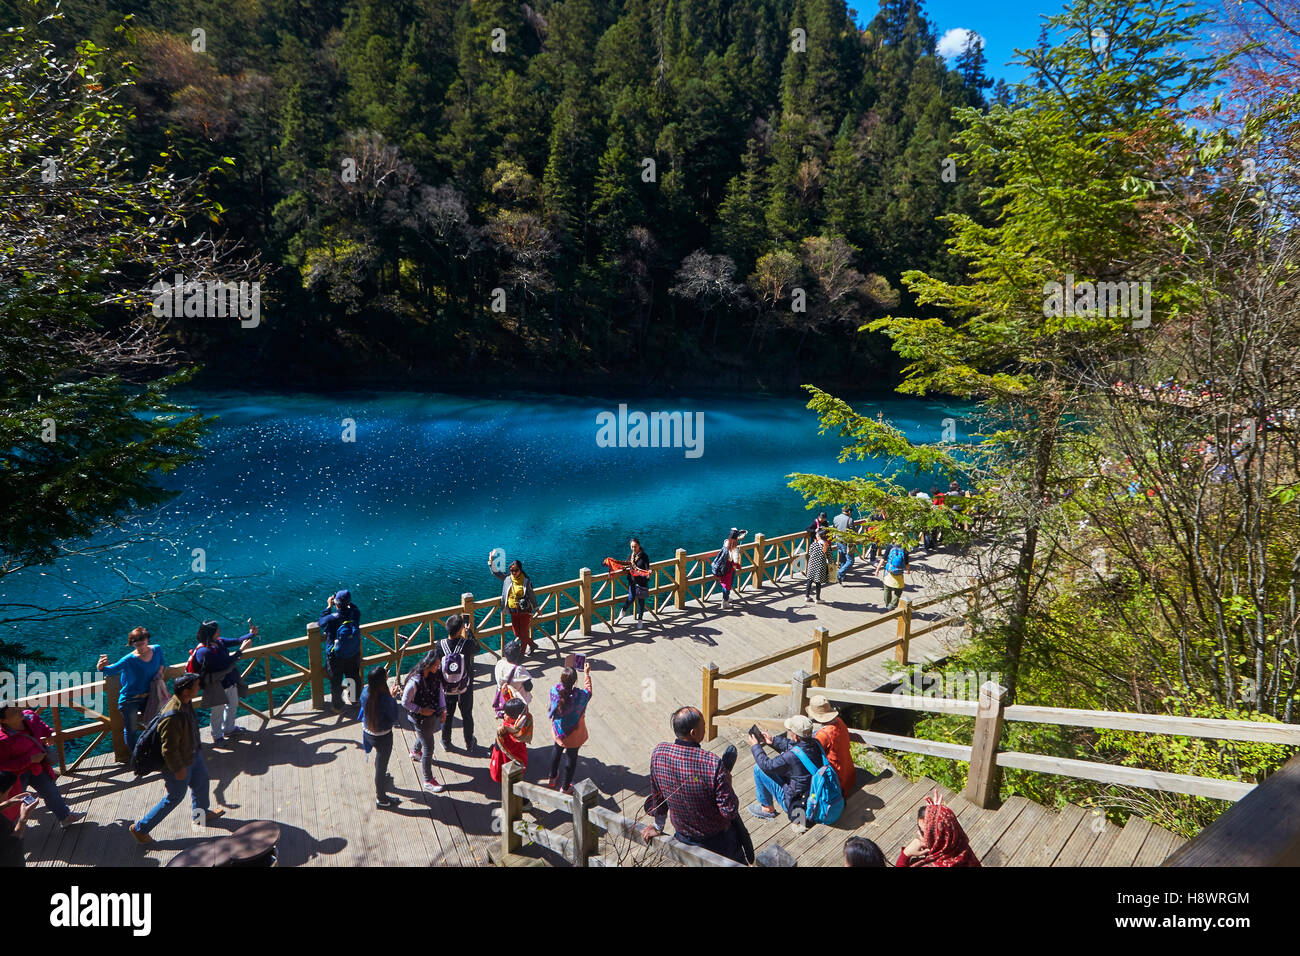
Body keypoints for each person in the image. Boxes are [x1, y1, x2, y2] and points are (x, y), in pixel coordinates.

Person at [641, 706, 750, 865]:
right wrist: (728, 782)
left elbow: (659, 799)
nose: (706, 728)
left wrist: (658, 827)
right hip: (718, 841)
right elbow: (729, 811)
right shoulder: (711, 764)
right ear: (693, 733)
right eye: (704, 726)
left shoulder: (659, 753)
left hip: (684, 838)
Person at [130, 673, 223, 844]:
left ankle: (200, 815)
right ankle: (141, 828)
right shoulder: (173, 715)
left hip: (192, 754)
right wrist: (178, 769)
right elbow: (169, 749)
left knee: (202, 783)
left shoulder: (185, 703)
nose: (199, 687)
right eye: (196, 685)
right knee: (175, 797)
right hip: (179, 764)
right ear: (187, 691)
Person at [0, 705, 85, 829]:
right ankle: (8, 831)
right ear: (2, 721)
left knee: (51, 791)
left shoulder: (30, 716)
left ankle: (65, 817)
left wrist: (49, 732)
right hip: (16, 776)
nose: (19, 711)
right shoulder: (3, 740)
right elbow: (3, 765)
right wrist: (29, 760)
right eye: (13, 712)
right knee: (13, 804)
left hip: (37, 769)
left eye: (17, 707)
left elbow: (41, 725)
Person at [97, 626, 165, 752]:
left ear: (147, 638)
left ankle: (155, 752)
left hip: (150, 697)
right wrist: (100, 667)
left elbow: (161, 662)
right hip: (129, 700)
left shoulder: (157, 649)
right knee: (131, 730)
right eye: (135, 640)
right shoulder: (128, 659)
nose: (139, 642)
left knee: (156, 725)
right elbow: (110, 671)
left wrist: (160, 672)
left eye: (141, 638)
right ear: (131, 643)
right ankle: (137, 757)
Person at [747, 715, 824, 821]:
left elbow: (767, 765)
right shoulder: (816, 743)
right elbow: (793, 746)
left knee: (758, 769)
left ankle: (767, 809)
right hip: (813, 794)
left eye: (790, 731)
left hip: (796, 803)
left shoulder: (791, 757)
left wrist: (756, 746)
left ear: (796, 736)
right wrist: (773, 740)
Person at [192, 621, 255, 743]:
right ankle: (217, 736)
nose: (219, 631)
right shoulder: (204, 652)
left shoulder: (218, 642)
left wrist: (251, 634)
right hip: (216, 685)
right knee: (217, 711)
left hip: (229, 681)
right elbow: (224, 664)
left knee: (232, 704)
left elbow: (237, 640)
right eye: (217, 630)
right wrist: (241, 651)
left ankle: (229, 728)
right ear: (211, 633)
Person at [401, 650, 448, 794]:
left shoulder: (435, 675)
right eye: (435, 665)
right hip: (420, 718)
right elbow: (405, 702)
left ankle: (415, 751)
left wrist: (443, 708)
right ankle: (428, 780)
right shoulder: (414, 682)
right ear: (427, 664)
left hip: (432, 713)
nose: (437, 668)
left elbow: (440, 692)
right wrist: (420, 710)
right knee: (429, 748)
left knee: (426, 734)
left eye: (439, 665)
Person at [546, 661, 593, 795]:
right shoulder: (580, 696)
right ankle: (565, 787)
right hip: (574, 733)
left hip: (559, 729)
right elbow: (588, 692)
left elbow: (560, 696)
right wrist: (587, 674)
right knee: (571, 758)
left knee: (557, 750)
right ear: (575, 681)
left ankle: (552, 777)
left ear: (561, 679)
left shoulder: (554, 690)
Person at [896, 793, 981, 867]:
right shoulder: (960, 843)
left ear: (938, 839)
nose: (918, 833)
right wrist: (938, 813)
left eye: (923, 832)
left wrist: (905, 854)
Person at [358, 666, 401, 809]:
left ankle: (381, 779)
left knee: (379, 759)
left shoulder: (365, 692)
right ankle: (381, 799)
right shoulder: (386, 699)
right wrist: (392, 697)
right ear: (384, 680)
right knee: (381, 767)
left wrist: (389, 695)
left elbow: (376, 702)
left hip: (368, 733)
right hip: (383, 736)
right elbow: (394, 716)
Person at [439, 614, 478, 755]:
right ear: (460, 630)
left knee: (448, 715)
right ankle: (469, 742)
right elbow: (477, 648)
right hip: (464, 688)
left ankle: (445, 741)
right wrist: (469, 633)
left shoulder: (440, 645)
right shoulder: (466, 644)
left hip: (447, 689)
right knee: (467, 714)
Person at [318, 589, 362, 711]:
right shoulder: (355, 614)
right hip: (352, 653)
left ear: (336, 603)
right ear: (349, 602)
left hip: (335, 656)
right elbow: (355, 608)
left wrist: (328, 606)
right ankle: (354, 700)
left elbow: (320, 622)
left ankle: (338, 706)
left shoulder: (331, 618)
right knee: (353, 677)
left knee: (336, 681)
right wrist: (349, 603)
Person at [490, 557, 538, 657]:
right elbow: (496, 573)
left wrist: (537, 608)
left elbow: (531, 595)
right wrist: (491, 562)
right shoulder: (507, 579)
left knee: (524, 634)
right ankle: (532, 645)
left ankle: (521, 654)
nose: (513, 572)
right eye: (511, 570)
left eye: (516, 570)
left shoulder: (526, 581)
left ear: (520, 569)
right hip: (513, 611)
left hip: (524, 611)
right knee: (517, 634)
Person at [807, 696, 856, 794]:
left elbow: (811, 754)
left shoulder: (823, 735)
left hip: (837, 781)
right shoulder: (839, 721)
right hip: (848, 774)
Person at [490, 697, 532, 782]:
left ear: (514, 717)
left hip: (509, 756)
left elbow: (503, 745)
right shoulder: (524, 721)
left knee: (506, 773)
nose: (504, 715)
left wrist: (501, 734)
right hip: (520, 754)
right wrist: (506, 694)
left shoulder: (509, 732)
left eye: (506, 714)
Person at [0, 771, 36, 867]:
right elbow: (12, 843)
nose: (8, 795)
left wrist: (8, 803)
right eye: (8, 791)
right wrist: (23, 818)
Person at [493, 640, 534, 717]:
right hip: (517, 702)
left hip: (503, 698)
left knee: (508, 719)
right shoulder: (519, 670)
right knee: (520, 721)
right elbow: (529, 687)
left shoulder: (499, 664)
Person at [620, 537, 651, 624]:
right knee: (631, 598)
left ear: (639, 546)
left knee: (641, 602)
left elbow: (647, 568)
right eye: (632, 547)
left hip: (642, 582)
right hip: (632, 581)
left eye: (635, 546)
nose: (634, 548)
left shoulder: (644, 556)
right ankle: (623, 610)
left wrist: (648, 573)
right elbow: (626, 565)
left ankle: (640, 619)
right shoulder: (630, 557)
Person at [714, 528, 745, 608]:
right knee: (727, 585)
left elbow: (733, 538)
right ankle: (725, 602)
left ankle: (726, 598)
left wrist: (739, 536)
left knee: (725, 584)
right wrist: (738, 566)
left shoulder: (726, 542)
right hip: (729, 569)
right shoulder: (735, 549)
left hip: (722, 567)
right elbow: (735, 561)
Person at [875, 539, 910, 610]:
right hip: (899, 573)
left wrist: (877, 569)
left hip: (889, 572)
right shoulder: (905, 548)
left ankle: (888, 605)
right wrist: (908, 570)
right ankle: (892, 605)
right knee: (899, 589)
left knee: (887, 589)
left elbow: (883, 559)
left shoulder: (890, 547)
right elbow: (906, 563)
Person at [804, 528, 830, 605]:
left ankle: (807, 596)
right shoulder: (826, 545)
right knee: (818, 583)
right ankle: (817, 599)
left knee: (809, 580)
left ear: (819, 536)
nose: (816, 535)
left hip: (811, 564)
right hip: (820, 566)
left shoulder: (813, 544)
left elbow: (810, 553)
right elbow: (829, 556)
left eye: (817, 534)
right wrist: (832, 565)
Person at [832, 505, 854, 579]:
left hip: (838, 541)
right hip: (846, 542)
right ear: (849, 512)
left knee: (842, 559)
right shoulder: (849, 519)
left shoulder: (835, 518)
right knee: (850, 561)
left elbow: (834, 528)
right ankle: (840, 572)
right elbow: (852, 531)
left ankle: (841, 577)